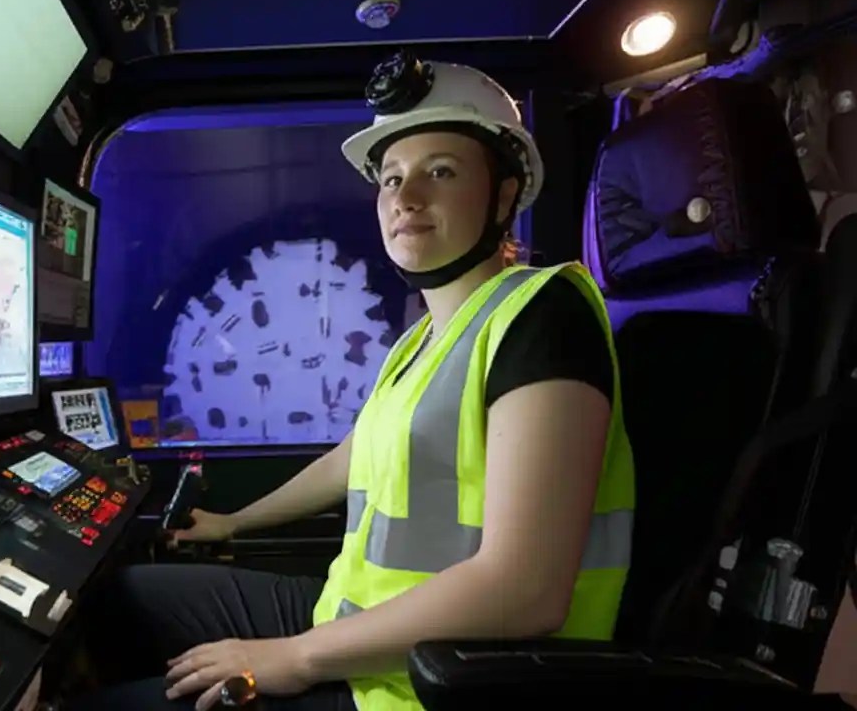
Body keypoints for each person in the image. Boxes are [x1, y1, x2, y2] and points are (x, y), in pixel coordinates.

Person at [69, 51, 635, 711]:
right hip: (370, 623)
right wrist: (230, 523)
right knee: (121, 599)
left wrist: (295, 657)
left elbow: (527, 589)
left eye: (441, 172)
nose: (407, 197)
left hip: (447, 679)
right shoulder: (420, 341)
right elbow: (352, 459)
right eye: (391, 179)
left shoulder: (542, 312)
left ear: (504, 195)